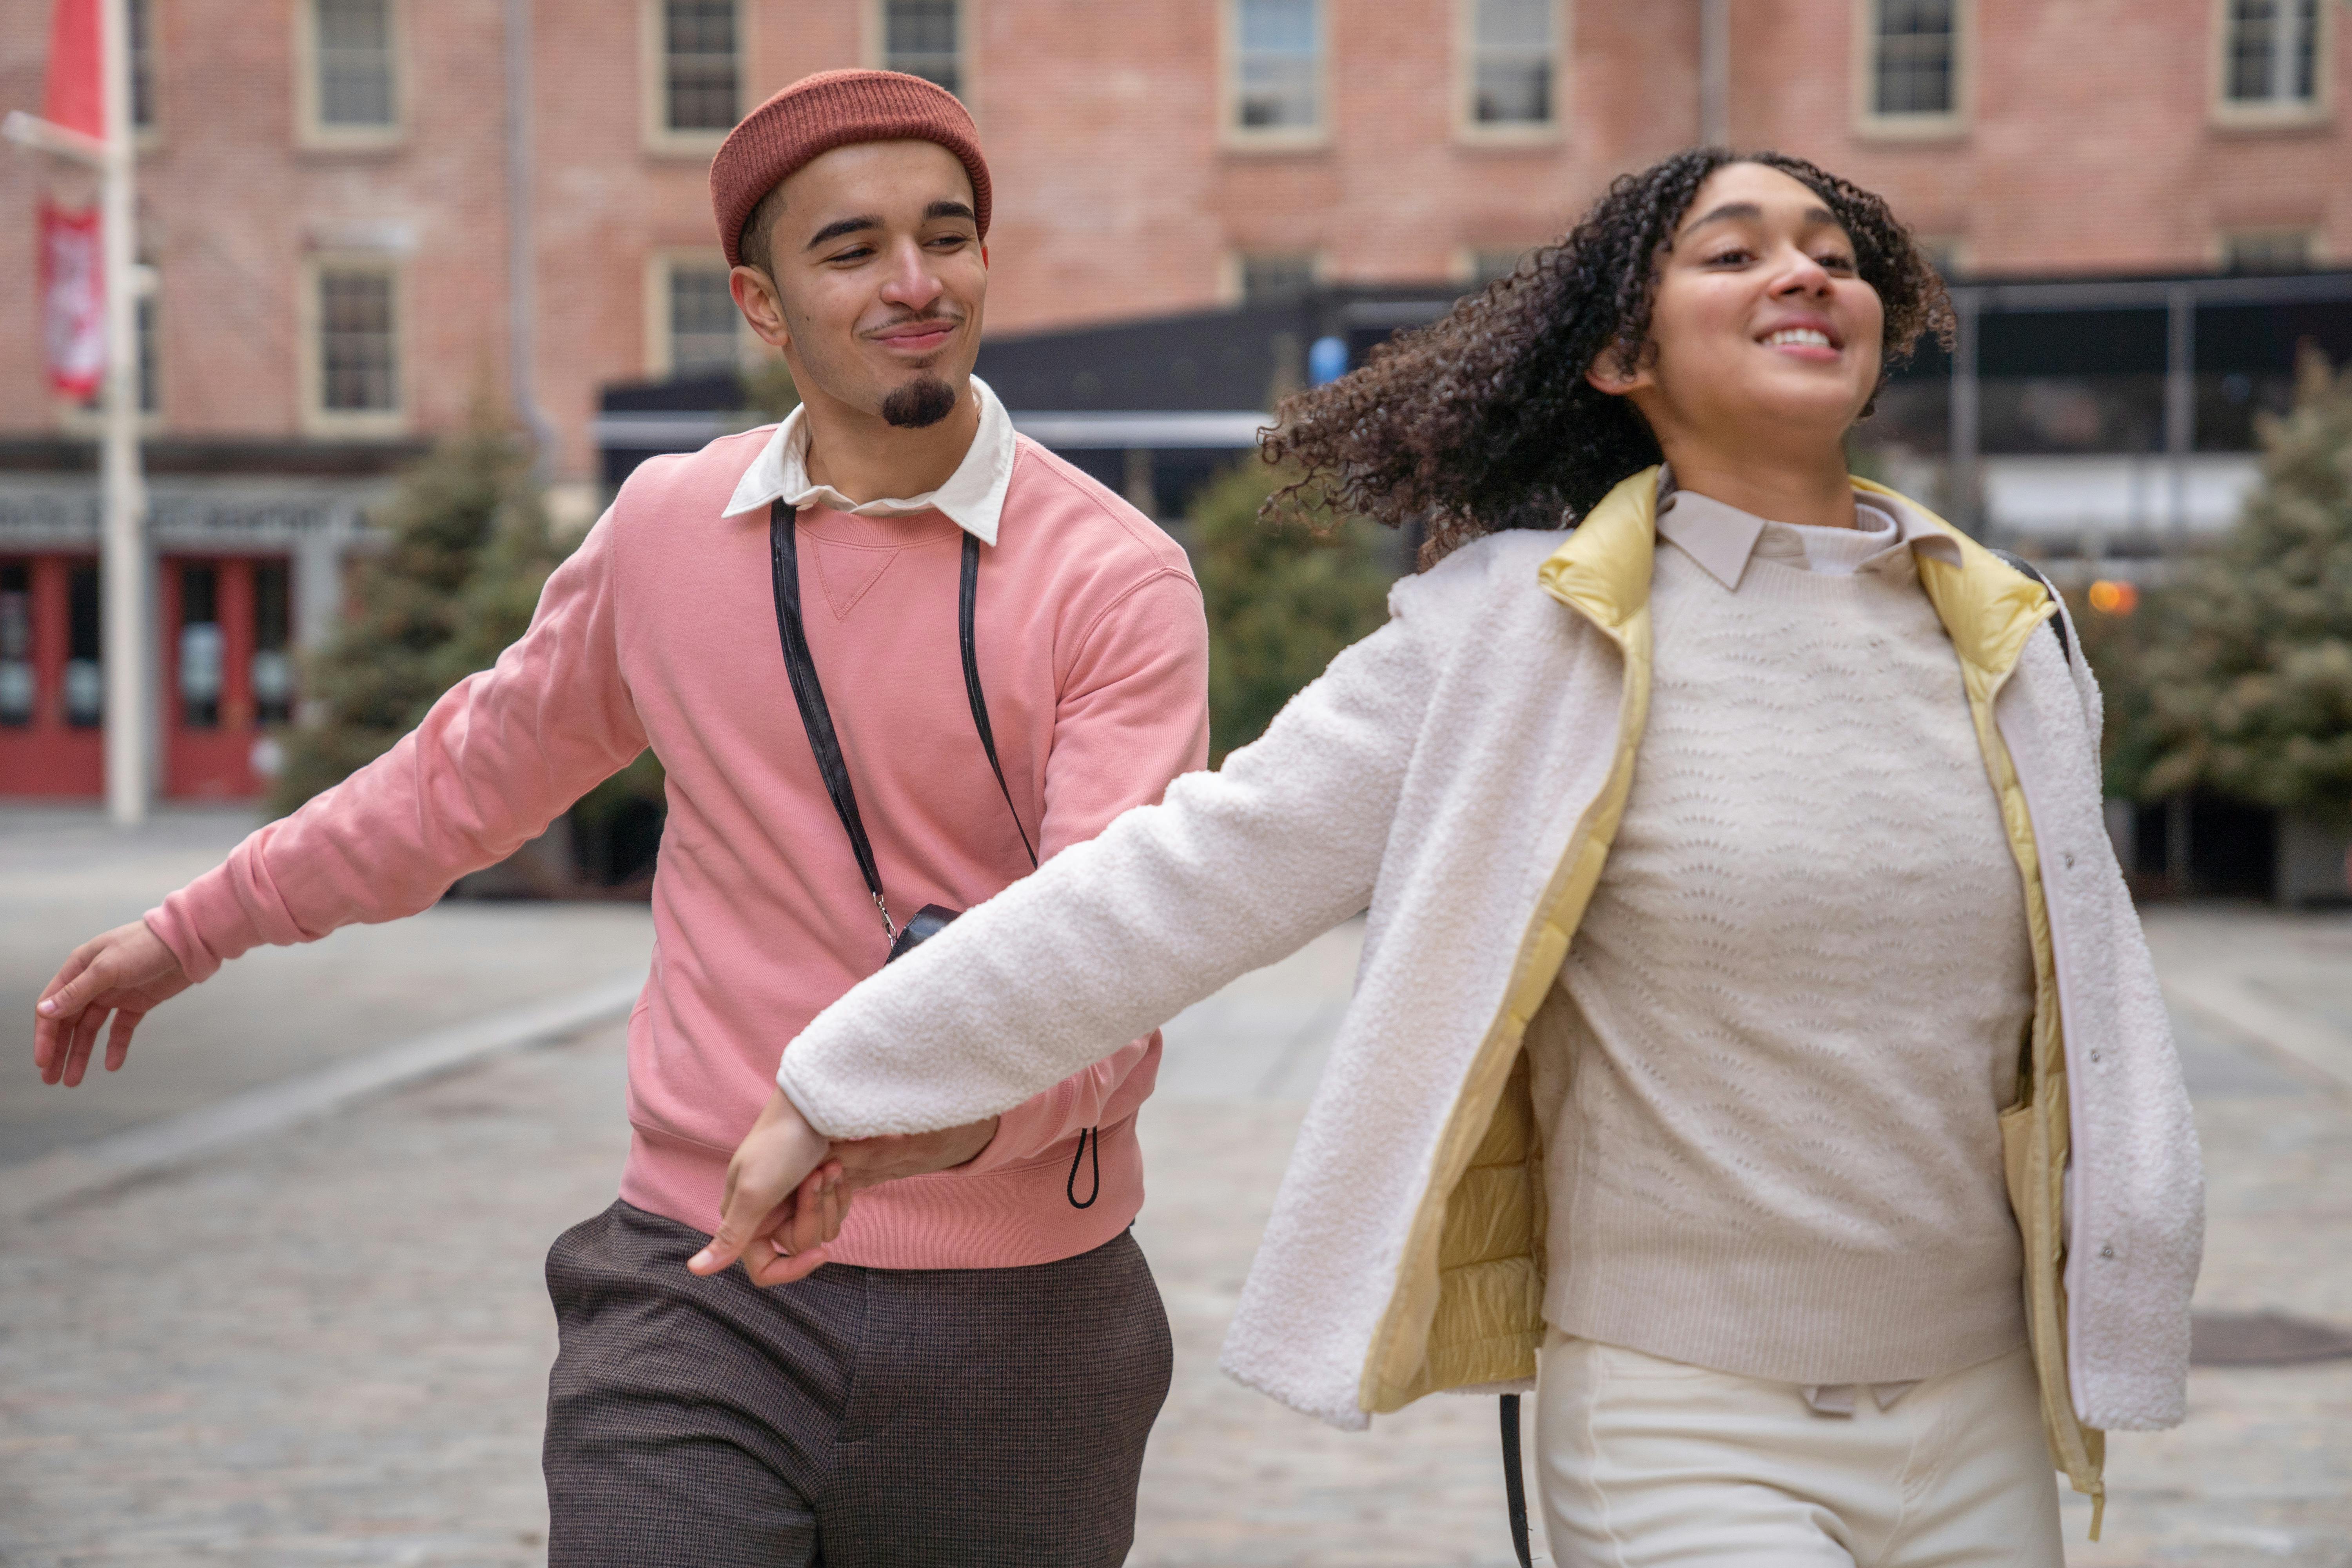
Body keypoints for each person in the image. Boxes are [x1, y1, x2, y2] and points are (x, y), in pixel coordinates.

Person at [702, 148, 2205, 1566]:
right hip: (1687, 1427)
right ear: (1624, 359)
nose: (1804, 276)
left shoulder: (2006, 631)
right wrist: (850, 1071)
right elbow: (1192, 875)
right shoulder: (1519, 631)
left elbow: (2089, 1009)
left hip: (1990, 1409)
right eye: (1735, 253)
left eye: (1835, 256)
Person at [31, 69, 1208, 1568]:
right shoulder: (667, 531)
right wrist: (189, 930)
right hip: (699, 1282)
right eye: (851, 251)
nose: (916, 285)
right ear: (762, 304)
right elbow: (461, 778)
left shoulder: (1116, 582)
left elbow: (1116, 966)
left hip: (1020, 1327)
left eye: (948, 236)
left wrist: (916, 1122)